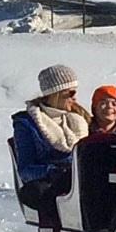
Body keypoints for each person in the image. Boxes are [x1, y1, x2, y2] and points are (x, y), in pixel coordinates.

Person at [12, 63, 92, 211]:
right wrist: (52, 171)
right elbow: (25, 169)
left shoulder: (79, 118)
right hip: (56, 183)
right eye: (71, 93)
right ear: (56, 93)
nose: (75, 98)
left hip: (82, 177)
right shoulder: (27, 124)